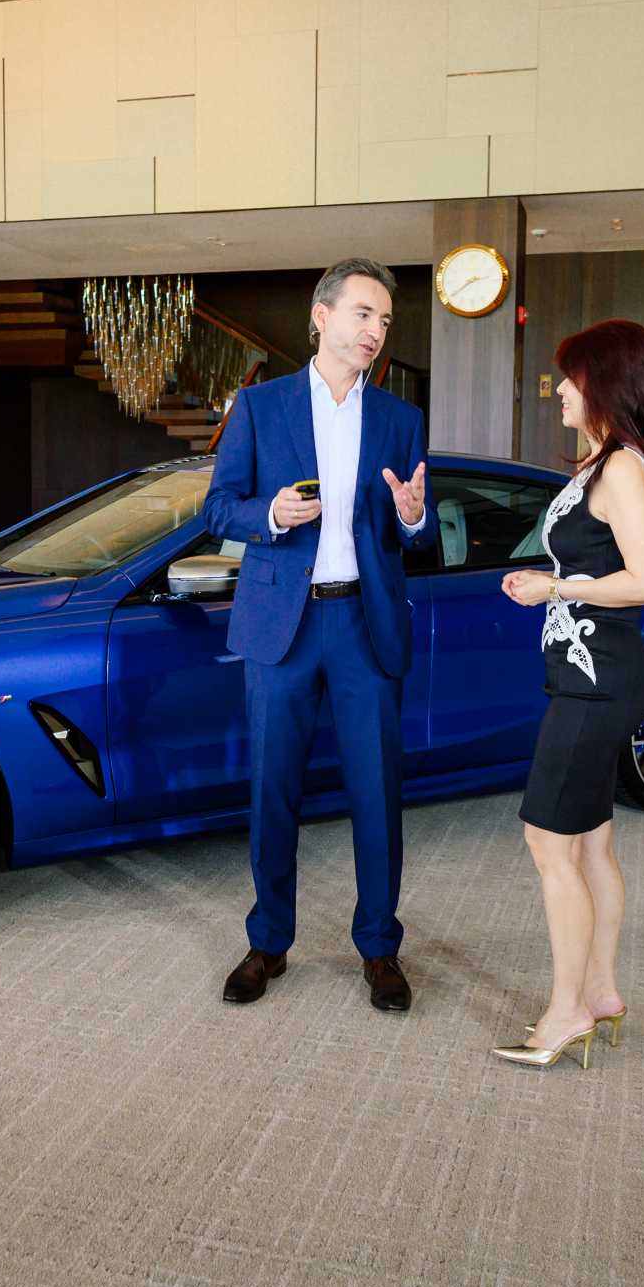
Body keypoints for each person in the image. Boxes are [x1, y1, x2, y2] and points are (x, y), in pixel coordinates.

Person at [201, 257, 438, 1012]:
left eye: (385, 322)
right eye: (364, 315)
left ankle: (379, 946)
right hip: (283, 625)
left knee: (378, 792)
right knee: (274, 787)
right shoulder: (261, 408)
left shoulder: (401, 419)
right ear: (321, 316)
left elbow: (414, 532)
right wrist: (268, 516)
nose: (375, 332)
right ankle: (268, 940)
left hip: (363, 624)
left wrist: (410, 517)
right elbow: (217, 509)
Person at [492, 319, 644, 1069]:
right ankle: (599, 992)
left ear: (603, 383)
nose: (560, 389)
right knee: (592, 842)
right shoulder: (606, 463)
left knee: (548, 845)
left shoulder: (622, 468)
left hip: (596, 686)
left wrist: (556, 587)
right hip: (593, 676)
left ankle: (566, 1012)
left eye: (570, 377)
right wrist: (547, 582)